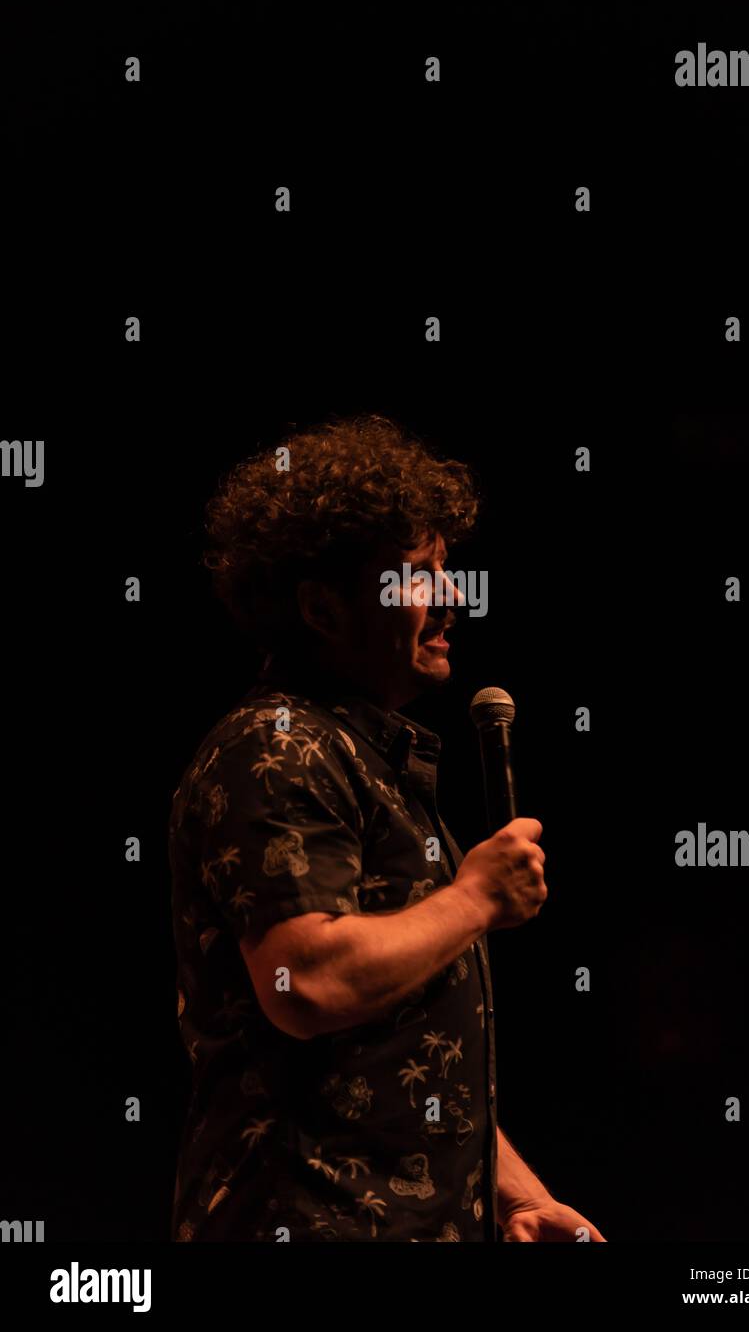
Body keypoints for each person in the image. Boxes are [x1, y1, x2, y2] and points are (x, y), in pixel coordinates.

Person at [169, 414, 604, 1243]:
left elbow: (406, 1049)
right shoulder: (276, 746)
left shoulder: (368, 763)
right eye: (416, 576)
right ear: (322, 609)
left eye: (447, 571)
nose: (450, 597)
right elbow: (309, 984)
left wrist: (512, 1194)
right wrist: (475, 897)